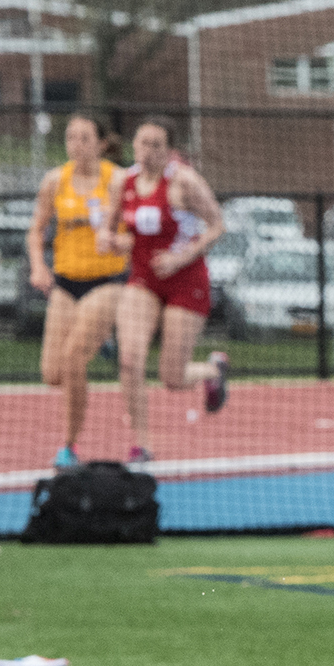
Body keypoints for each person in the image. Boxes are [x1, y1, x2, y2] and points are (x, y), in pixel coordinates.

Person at [96, 116, 229, 467]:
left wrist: (179, 257)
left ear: (170, 151)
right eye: (142, 143)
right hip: (143, 280)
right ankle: (141, 444)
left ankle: (214, 370)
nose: (148, 152)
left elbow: (217, 226)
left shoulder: (184, 182)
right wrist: (107, 240)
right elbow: (110, 231)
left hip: (186, 281)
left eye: (156, 145)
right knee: (129, 359)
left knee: (172, 376)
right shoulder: (122, 181)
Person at [26, 112, 130, 469]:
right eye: (71, 138)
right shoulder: (56, 180)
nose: (77, 145)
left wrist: (117, 241)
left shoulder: (116, 180)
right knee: (53, 373)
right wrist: (39, 266)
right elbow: (36, 229)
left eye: (85, 138)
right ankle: (100, 341)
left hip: (107, 282)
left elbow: (139, 235)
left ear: (102, 143)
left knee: (73, 361)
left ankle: (69, 446)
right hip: (66, 283)